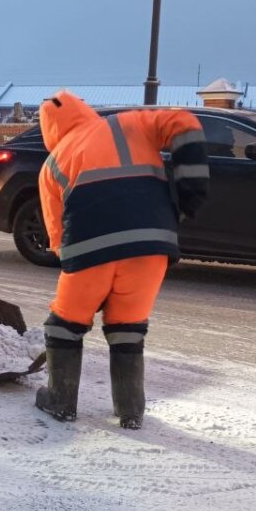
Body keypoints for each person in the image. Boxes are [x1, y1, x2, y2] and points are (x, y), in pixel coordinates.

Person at [35, 89, 209, 429]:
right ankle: (130, 411)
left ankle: (60, 401)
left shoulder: (52, 164)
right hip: (152, 245)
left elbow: (57, 235)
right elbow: (184, 122)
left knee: (64, 325)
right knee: (127, 328)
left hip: (89, 251)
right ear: (84, 111)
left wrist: (83, 278)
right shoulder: (132, 123)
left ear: (48, 130)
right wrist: (191, 190)